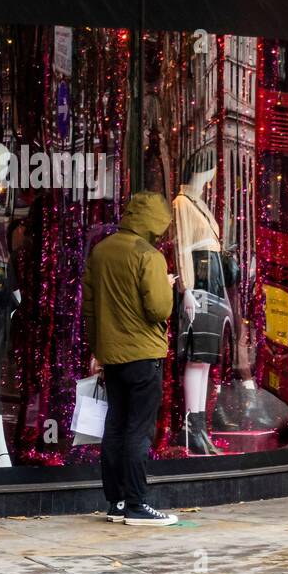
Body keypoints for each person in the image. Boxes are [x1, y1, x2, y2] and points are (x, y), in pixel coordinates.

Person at [83, 191, 179, 526]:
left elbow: (91, 308)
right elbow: (159, 308)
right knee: (139, 430)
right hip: (143, 354)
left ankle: (117, 502)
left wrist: (98, 349)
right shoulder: (148, 255)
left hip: (112, 356)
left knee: (115, 426)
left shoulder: (101, 251)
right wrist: (166, 286)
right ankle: (138, 504)